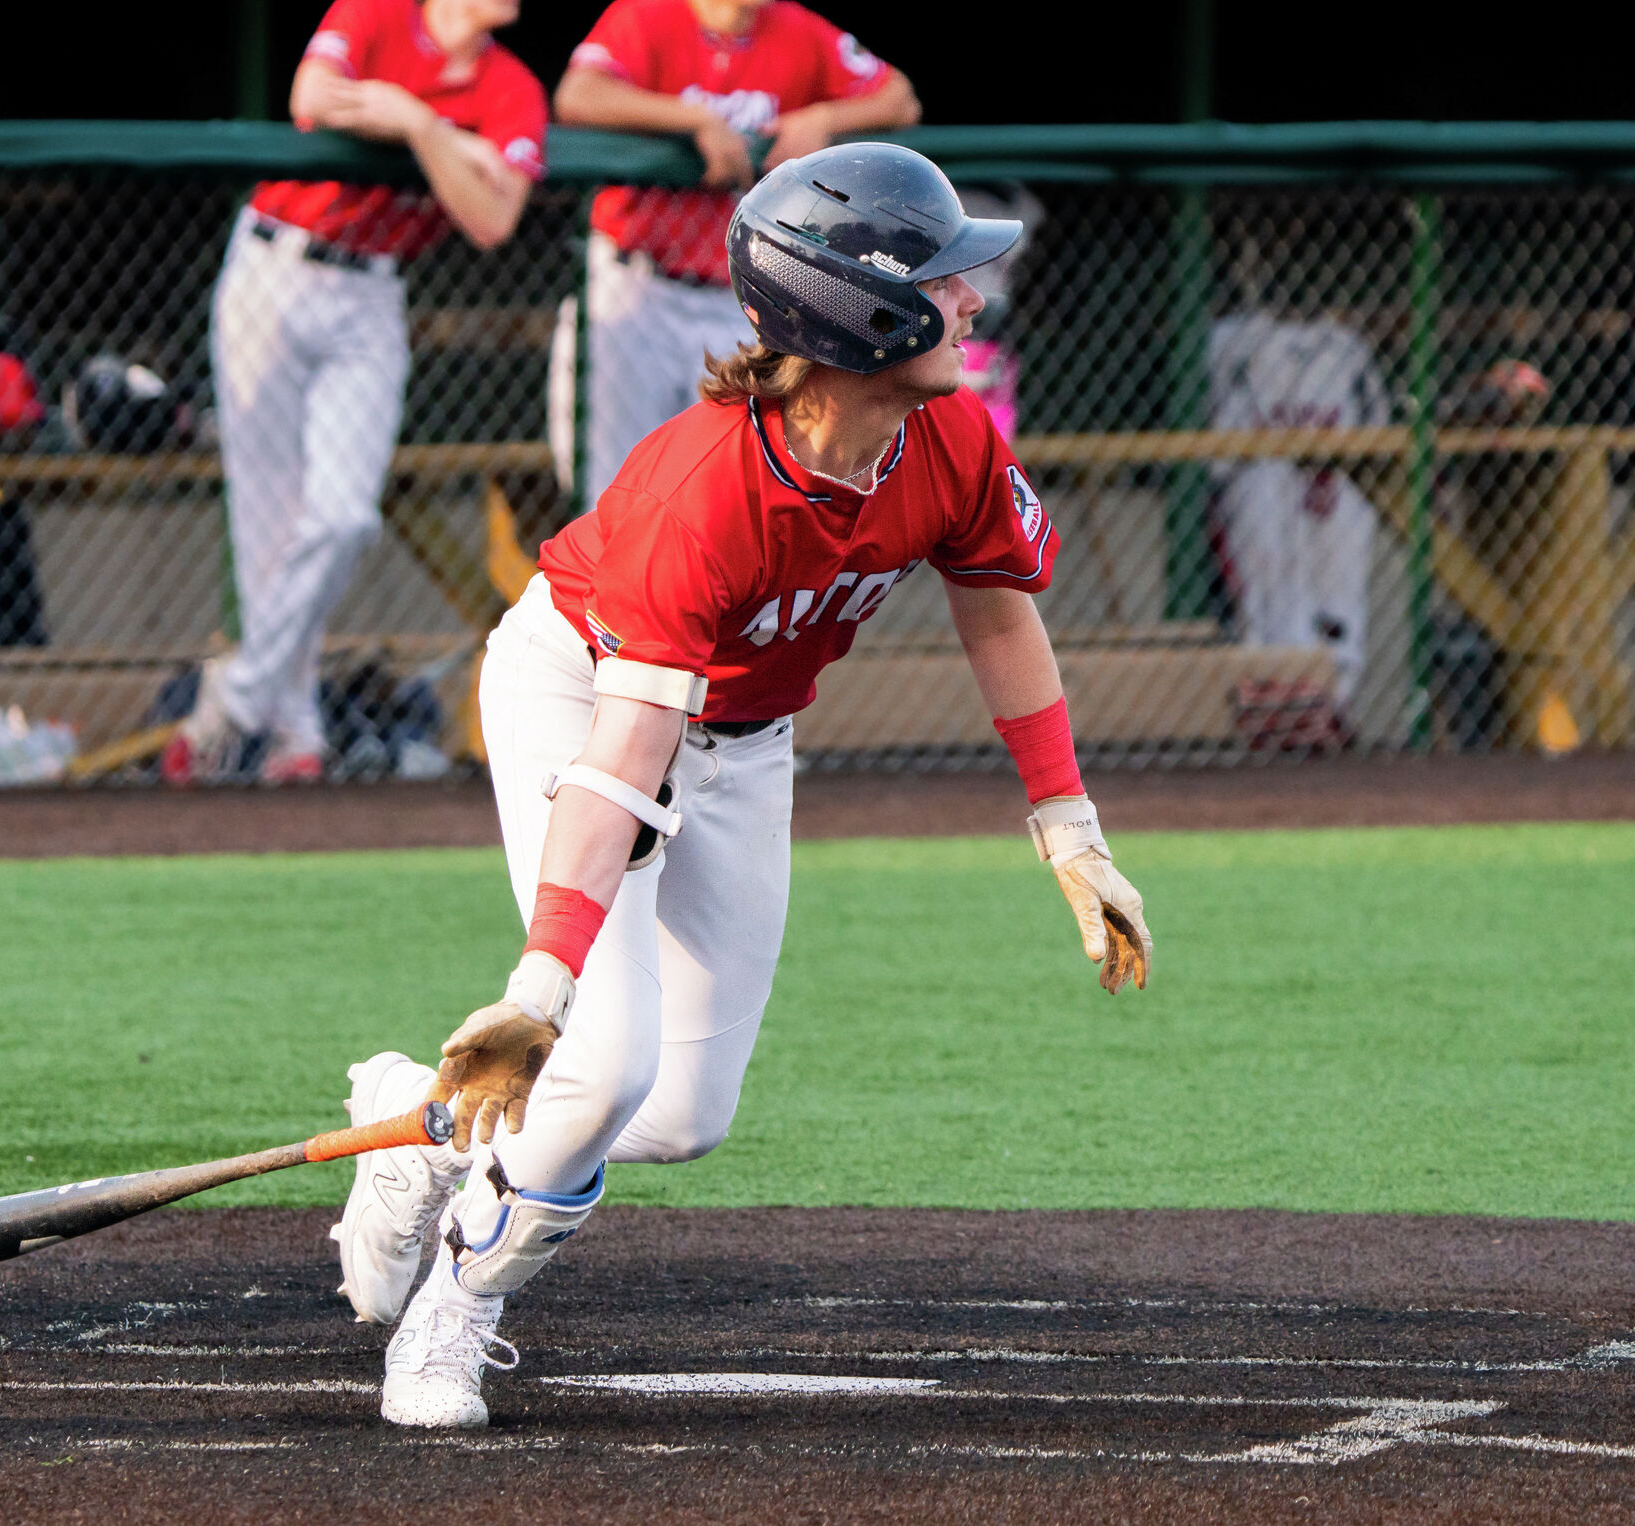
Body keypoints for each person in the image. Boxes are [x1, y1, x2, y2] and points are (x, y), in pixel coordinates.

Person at [328, 143, 1153, 1429]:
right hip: (580, 697)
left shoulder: (946, 437)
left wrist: (1068, 827)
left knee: (674, 1115)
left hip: (747, 738)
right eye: (938, 281)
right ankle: (455, 1306)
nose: (972, 298)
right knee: (597, 1072)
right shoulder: (701, 493)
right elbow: (621, 761)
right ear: (851, 313)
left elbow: (998, 614)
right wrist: (539, 984)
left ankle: (416, 1119)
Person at [163, 0, 547, 786]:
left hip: (371, 292)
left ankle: (234, 702)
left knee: (342, 516)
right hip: (274, 266)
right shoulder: (377, 12)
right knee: (267, 525)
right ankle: (294, 731)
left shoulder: (511, 87)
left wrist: (418, 124)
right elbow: (312, 98)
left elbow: (493, 214)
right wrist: (449, 143)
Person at [548, 0, 919, 514]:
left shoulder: (796, 26)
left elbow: (899, 100)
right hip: (633, 290)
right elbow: (578, 95)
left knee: (729, 502)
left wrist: (823, 118)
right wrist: (692, 119)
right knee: (610, 498)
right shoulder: (645, 15)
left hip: (741, 300)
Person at [1208, 309, 1392, 713]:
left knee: (1336, 604)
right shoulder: (1237, 345)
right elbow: (1211, 450)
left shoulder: (1347, 351)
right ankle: (1271, 695)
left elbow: (1379, 437)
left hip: (1333, 497)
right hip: (1261, 495)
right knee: (1265, 585)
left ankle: (1329, 701)